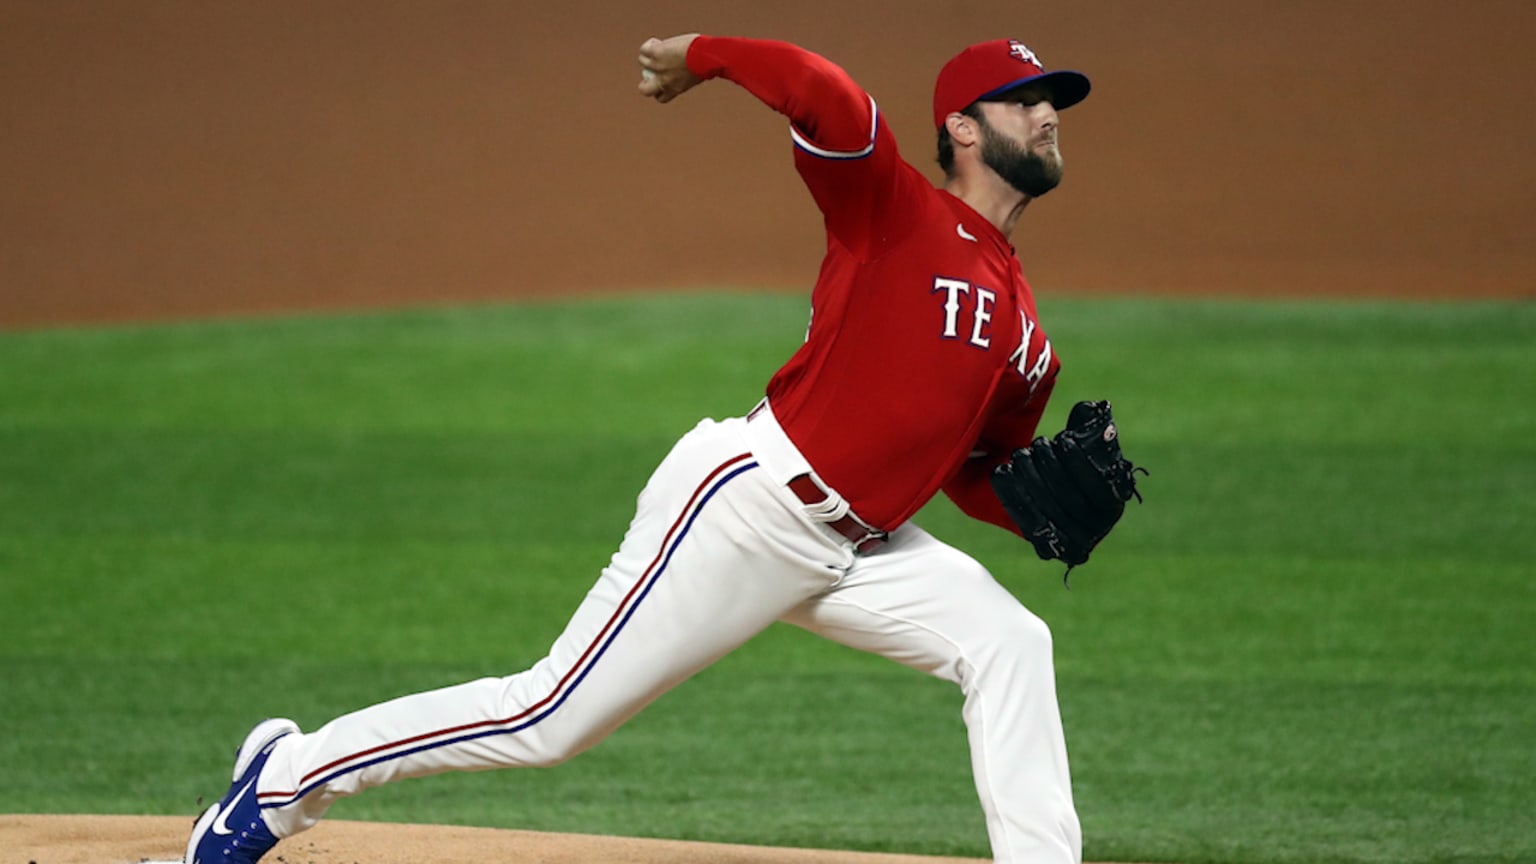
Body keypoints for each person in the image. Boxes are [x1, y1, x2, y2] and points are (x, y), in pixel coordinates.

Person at [186, 32, 1095, 864]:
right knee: (547, 719)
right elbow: (822, 89)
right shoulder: (893, 213)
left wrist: (1033, 514)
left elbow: (979, 472)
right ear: (963, 130)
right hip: (750, 508)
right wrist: (703, 53)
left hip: (862, 551)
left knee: (1010, 641)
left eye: (1051, 100)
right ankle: (282, 779)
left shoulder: (1025, 331)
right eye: (1023, 99)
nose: (1047, 114)